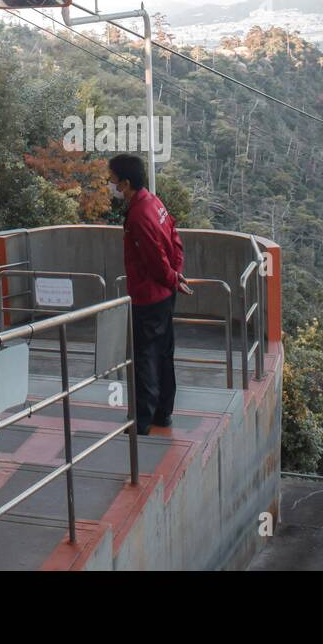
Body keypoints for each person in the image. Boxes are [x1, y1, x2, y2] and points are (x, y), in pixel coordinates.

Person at [108, 154, 190, 436]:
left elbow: (155, 261)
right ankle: (163, 413)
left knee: (145, 357)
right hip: (164, 295)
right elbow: (175, 238)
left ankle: (141, 421)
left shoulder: (140, 214)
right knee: (164, 353)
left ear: (126, 182)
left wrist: (170, 278)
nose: (111, 185)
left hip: (149, 297)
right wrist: (176, 276)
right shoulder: (154, 203)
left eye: (113, 180)